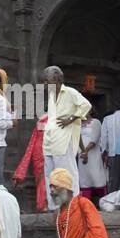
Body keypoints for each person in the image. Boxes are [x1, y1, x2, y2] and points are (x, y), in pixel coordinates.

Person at [42, 66, 92, 204]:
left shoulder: (70, 92)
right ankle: (55, 207)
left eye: (47, 80)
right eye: (44, 81)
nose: (45, 84)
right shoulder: (52, 96)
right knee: (50, 176)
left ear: (57, 79)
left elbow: (86, 105)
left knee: (67, 173)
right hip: (49, 141)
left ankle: (73, 204)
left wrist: (70, 118)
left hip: (64, 141)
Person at [14, 114, 49, 212]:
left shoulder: (45, 119)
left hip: (43, 149)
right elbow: (42, 132)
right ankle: (43, 204)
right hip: (42, 150)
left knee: (43, 178)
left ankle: (44, 204)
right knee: (42, 179)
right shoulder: (45, 119)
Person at [78, 115, 109, 202]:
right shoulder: (78, 124)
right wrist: (83, 152)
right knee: (84, 180)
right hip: (82, 156)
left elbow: (95, 138)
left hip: (93, 155)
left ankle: (104, 202)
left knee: (96, 177)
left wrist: (86, 150)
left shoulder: (95, 122)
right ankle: (85, 204)